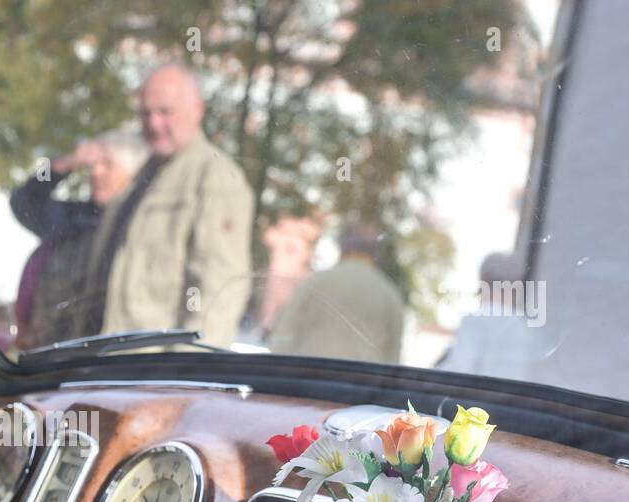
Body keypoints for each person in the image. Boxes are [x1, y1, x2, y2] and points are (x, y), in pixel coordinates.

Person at [90, 63, 254, 348]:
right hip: (110, 367)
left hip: (155, 378)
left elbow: (220, 293)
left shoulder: (215, 177)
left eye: (165, 112)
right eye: (146, 113)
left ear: (198, 109)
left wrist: (186, 377)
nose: (154, 124)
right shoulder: (141, 177)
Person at [9, 132, 147, 350]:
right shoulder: (74, 218)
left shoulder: (145, 232)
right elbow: (24, 200)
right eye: (93, 165)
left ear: (134, 175)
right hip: (48, 353)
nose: (96, 172)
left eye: (107, 165)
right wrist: (64, 164)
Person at [267, 224, 405, 364]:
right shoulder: (389, 295)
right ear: (376, 253)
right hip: (362, 384)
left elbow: (282, 339)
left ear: (343, 247)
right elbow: (393, 359)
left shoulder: (315, 283)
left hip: (309, 379)